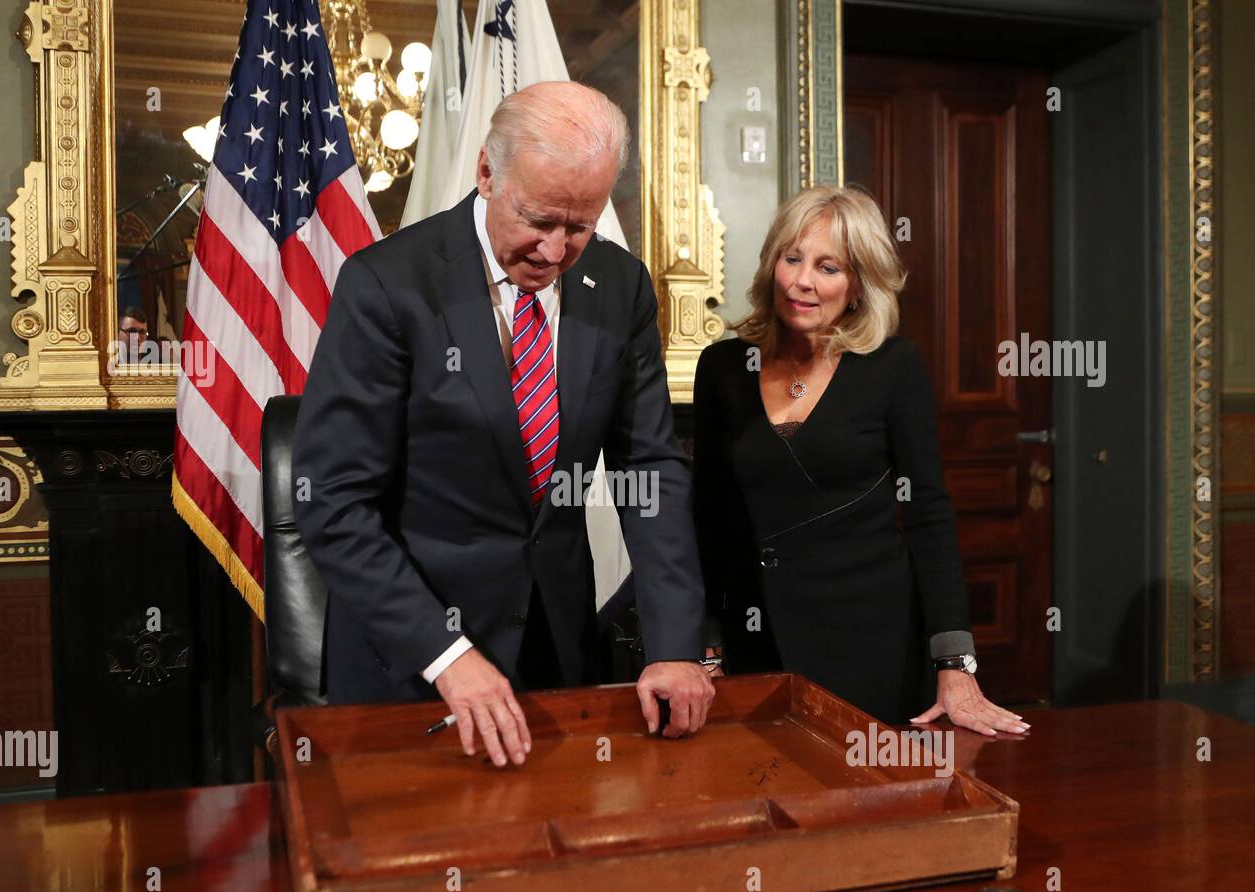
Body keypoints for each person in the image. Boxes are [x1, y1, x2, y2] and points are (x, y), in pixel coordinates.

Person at [293, 82, 714, 768]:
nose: (554, 251)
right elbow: (333, 501)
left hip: (556, 650)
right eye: (539, 220)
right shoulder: (388, 286)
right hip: (412, 663)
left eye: (580, 226)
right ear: (487, 173)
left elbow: (649, 470)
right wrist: (447, 653)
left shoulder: (620, 286)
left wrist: (672, 642)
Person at [693, 185, 1027, 735]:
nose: (803, 281)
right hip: (757, 638)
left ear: (857, 287)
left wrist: (955, 663)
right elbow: (708, 519)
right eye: (791, 258)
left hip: (872, 641)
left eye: (828, 267)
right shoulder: (723, 367)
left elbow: (929, 516)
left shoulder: (892, 367)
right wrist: (705, 643)